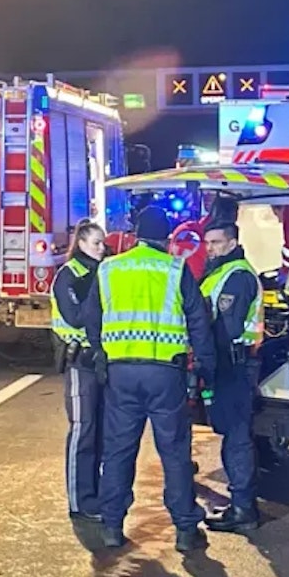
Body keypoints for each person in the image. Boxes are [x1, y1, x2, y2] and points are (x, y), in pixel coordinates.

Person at [84, 206, 217, 552]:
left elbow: (91, 318)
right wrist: (206, 365)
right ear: (166, 237)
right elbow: (198, 321)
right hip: (165, 375)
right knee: (174, 453)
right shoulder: (175, 269)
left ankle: (112, 526)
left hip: (121, 374)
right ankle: (186, 530)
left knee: (118, 451)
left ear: (135, 233)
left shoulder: (110, 268)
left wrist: (101, 354)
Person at [198, 220, 263, 533]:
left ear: (233, 242)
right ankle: (241, 504)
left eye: (217, 242)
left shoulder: (237, 276)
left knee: (236, 438)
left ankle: (243, 509)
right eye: (207, 243)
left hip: (233, 366)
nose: (210, 248)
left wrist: (205, 355)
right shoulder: (218, 273)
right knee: (231, 434)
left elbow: (228, 327)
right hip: (226, 365)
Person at [51, 219, 108, 523]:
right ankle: (80, 501)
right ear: (82, 243)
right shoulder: (68, 275)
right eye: (97, 243)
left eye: (103, 243)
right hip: (79, 362)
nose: (103, 248)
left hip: (102, 361)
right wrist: (95, 288)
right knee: (82, 431)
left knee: (100, 432)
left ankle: (95, 494)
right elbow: (74, 318)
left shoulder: (104, 271)